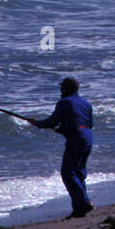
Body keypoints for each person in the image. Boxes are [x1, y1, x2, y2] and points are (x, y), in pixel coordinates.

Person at [31, 77, 94, 218]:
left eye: (62, 88)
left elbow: (52, 122)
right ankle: (80, 207)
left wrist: (38, 123)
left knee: (68, 173)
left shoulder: (64, 103)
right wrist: (65, 128)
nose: (60, 90)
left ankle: (83, 204)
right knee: (78, 173)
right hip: (87, 138)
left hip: (76, 139)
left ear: (66, 89)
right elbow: (88, 123)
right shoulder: (86, 103)